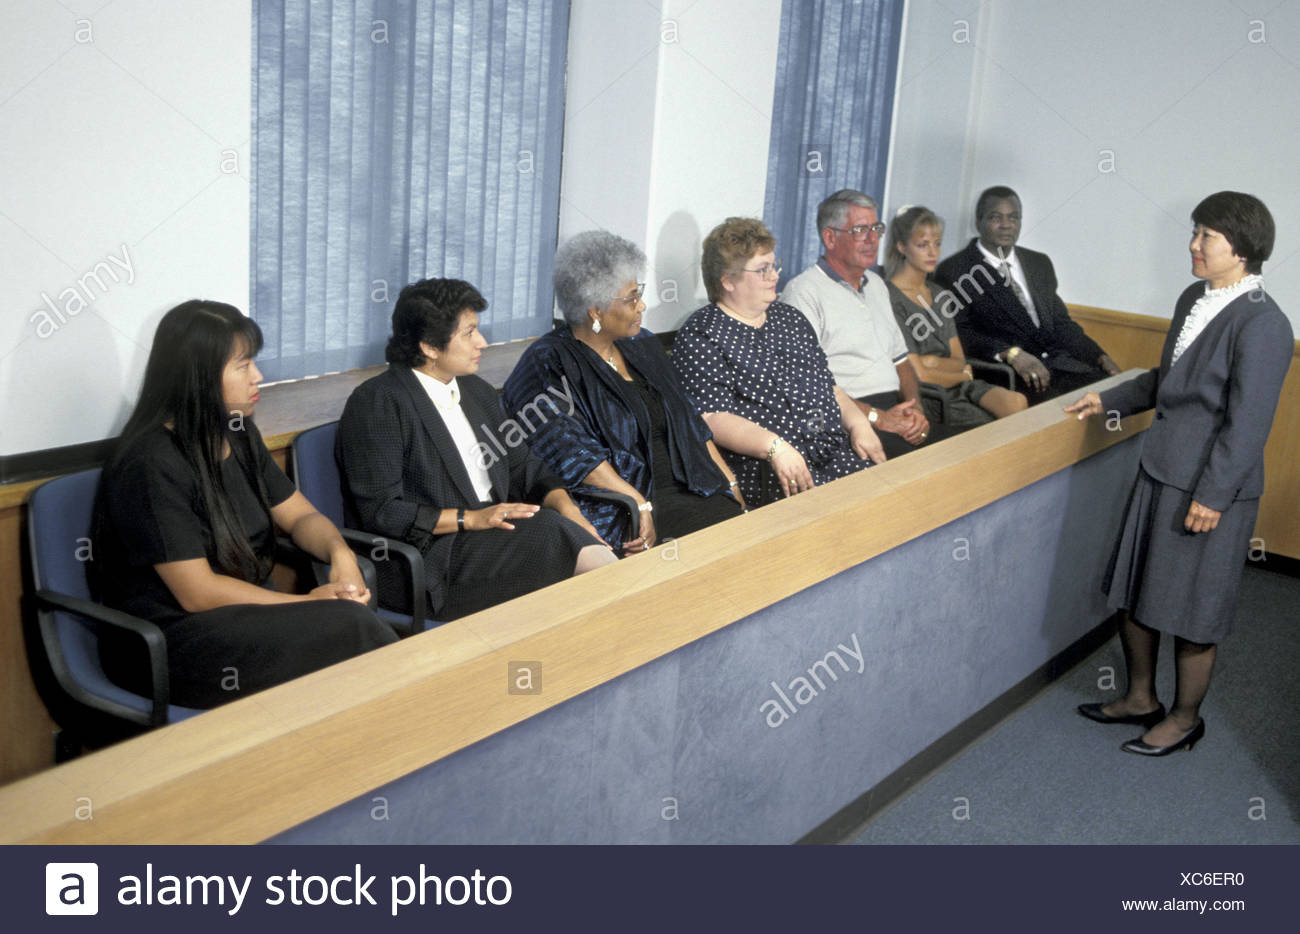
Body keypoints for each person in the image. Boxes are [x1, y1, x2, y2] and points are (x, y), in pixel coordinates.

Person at [1066, 191, 1292, 755]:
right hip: (1160, 472)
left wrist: (1212, 496)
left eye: (1206, 236)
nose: (1193, 245)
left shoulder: (1264, 324)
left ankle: (1186, 718)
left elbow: (1248, 426)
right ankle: (1141, 699)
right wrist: (1110, 400)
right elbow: (1168, 381)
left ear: (1240, 249)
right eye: (1194, 232)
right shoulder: (1196, 296)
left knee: (1194, 613)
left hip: (1209, 490)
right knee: (1136, 593)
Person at [92, 301, 398, 709]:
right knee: (352, 628)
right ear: (197, 377)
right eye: (243, 365)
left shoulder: (236, 432)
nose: (258, 376)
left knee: (351, 621)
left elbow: (300, 515)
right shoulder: (150, 462)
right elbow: (198, 594)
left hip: (243, 616)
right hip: (173, 640)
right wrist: (306, 603)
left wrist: (340, 554)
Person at [337, 278, 616, 621]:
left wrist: (568, 509)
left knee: (564, 533)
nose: (482, 342)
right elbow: (382, 511)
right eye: (469, 333)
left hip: (495, 534)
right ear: (429, 347)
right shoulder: (378, 402)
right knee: (554, 539)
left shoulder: (477, 391)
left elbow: (523, 467)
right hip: (433, 557)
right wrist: (470, 519)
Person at [502, 231, 744, 555]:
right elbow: (574, 455)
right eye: (631, 298)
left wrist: (729, 482)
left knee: (744, 532)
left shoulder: (641, 342)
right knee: (718, 545)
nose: (642, 305)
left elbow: (690, 421)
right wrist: (639, 504)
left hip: (693, 485)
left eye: (638, 293)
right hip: (626, 505)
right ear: (596, 310)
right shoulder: (547, 362)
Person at [671, 216, 883, 508]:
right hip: (769, 469)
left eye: (774, 265)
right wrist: (776, 448)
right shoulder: (701, 334)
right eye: (763, 269)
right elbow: (712, 417)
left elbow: (829, 387)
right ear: (728, 280)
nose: (775, 276)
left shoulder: (790, 319)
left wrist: (859, 423)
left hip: (833, 451)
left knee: (897, 499)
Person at [781, 189, 954, 458]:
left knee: (966, 450)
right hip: (848, 419)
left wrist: (915, 409)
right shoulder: (803, 292)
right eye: (861, 230)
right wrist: (879, 418)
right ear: (830, 238)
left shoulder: (877, 285)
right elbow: (808, 386)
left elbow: (901, 362)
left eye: (876, 228)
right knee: (932, 468)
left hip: (896, 410)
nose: (873, 239)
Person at [936, 185, 1121, 402]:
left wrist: (1100, 356)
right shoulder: (955, 270)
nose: (1006, 225)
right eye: (996, 217)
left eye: (1014, 217)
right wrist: (1011, 353)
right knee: (1069, 412)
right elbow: (960, 334)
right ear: (979, 222)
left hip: (1060, 365)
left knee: (1115, 396)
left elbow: (1062, 324)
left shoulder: (1038, 263)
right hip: (1008, 375)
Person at [884, 205, 1027, 428]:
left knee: (1017, 403)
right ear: (902, 247)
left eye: (937, 244)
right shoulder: (890, 298)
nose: (933, 253)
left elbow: (959, 359)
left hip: (961, 385)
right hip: (931, 395)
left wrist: (933, 362)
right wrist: (962, 375)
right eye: (922, 245)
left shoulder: (940, 295)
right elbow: (918, 375)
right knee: (993, 427)